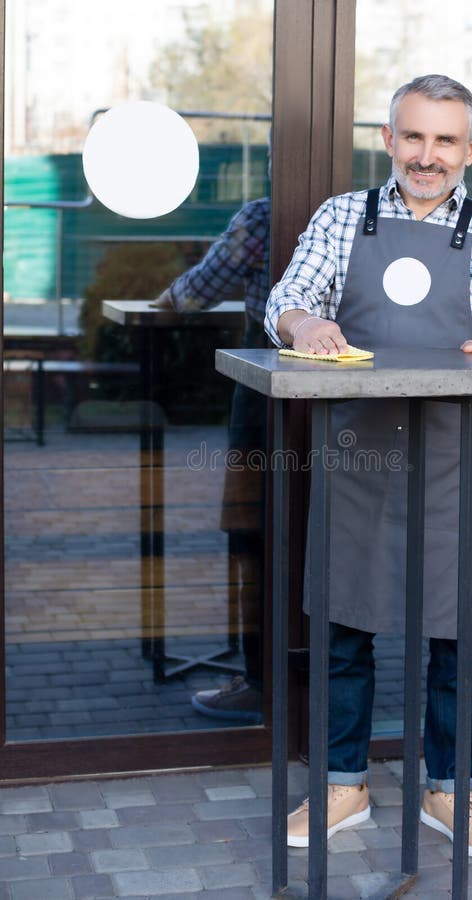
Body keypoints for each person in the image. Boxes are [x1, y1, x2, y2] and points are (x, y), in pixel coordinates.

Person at [264, 74, 472, 858]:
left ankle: (450, 792)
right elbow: (283, 301)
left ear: (471, 150)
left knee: (458, 638)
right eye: (413, 137)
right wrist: (304, 319)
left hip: (455, 464)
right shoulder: (340, 218)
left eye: (445, 141)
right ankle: (341, 786)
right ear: (388, 140)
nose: (428, 156)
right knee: (342, 630)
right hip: (356, 456)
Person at [157, 193, 270, 724]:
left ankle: (262, 683)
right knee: (319, 532)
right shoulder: (361, 211)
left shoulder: (264, 215)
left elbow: (200, 290)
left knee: (252, 531)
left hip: (264, 381)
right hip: (341, 390)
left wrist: (168, 300)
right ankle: (311, 678)